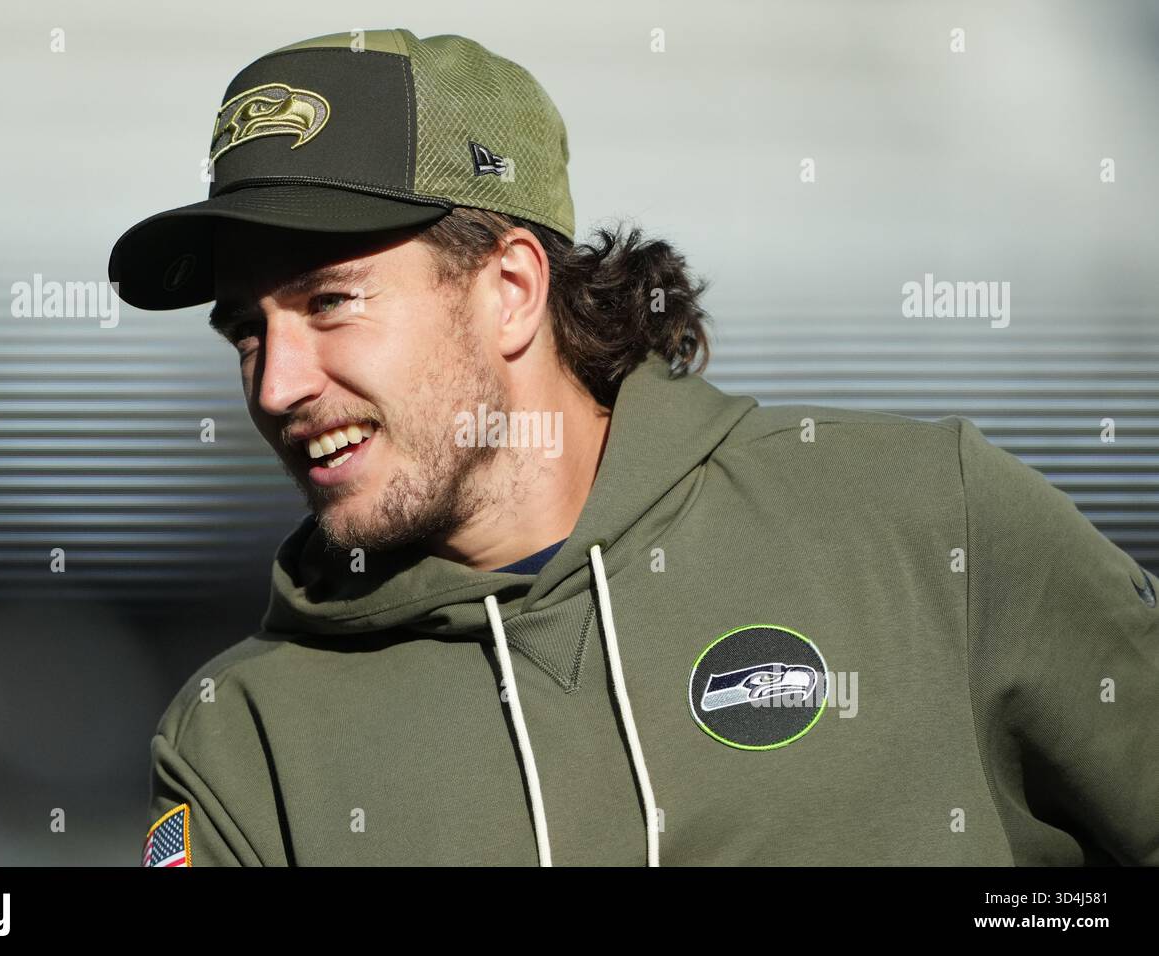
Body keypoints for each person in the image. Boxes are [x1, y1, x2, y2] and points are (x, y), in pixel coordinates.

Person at [112, 28, 1159, 867]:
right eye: (246, 330)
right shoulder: (238, 742)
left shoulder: (932, 523)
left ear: (510, 290)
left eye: (330, 302)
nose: (276, 384)